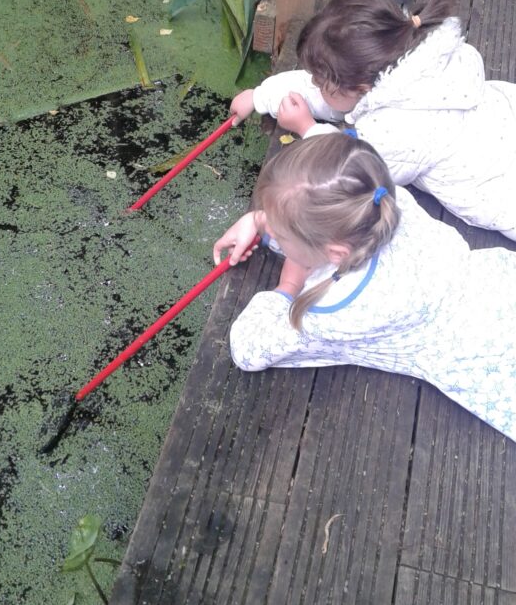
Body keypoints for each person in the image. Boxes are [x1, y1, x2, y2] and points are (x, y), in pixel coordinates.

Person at [213, 134, 516, 441]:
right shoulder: (377, 198)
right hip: (498, 285)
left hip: (487, 361)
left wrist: (289, 283)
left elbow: (248, 349)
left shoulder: (339, 308)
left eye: (281, 235)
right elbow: (331, 166)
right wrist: (261, 220)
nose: (274, 235)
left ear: (336, 254)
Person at [230, 0, 516, 240]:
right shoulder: (405, 53)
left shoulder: (396, 128)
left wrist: (306, 128)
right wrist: (260, 96)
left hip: (499, 190)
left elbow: (353, 168)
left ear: (360, 87)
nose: (314, 84)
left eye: (320, 80)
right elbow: (333, 93)